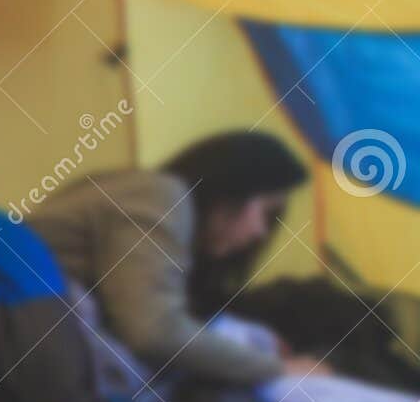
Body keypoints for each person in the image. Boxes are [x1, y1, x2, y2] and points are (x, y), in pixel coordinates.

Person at [28, 130, 318, 386]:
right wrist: (277, 369)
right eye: (266, 212)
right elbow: (153, 333)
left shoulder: (143, 191)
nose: (260, 232)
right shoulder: (160, 195)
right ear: (234, 190)